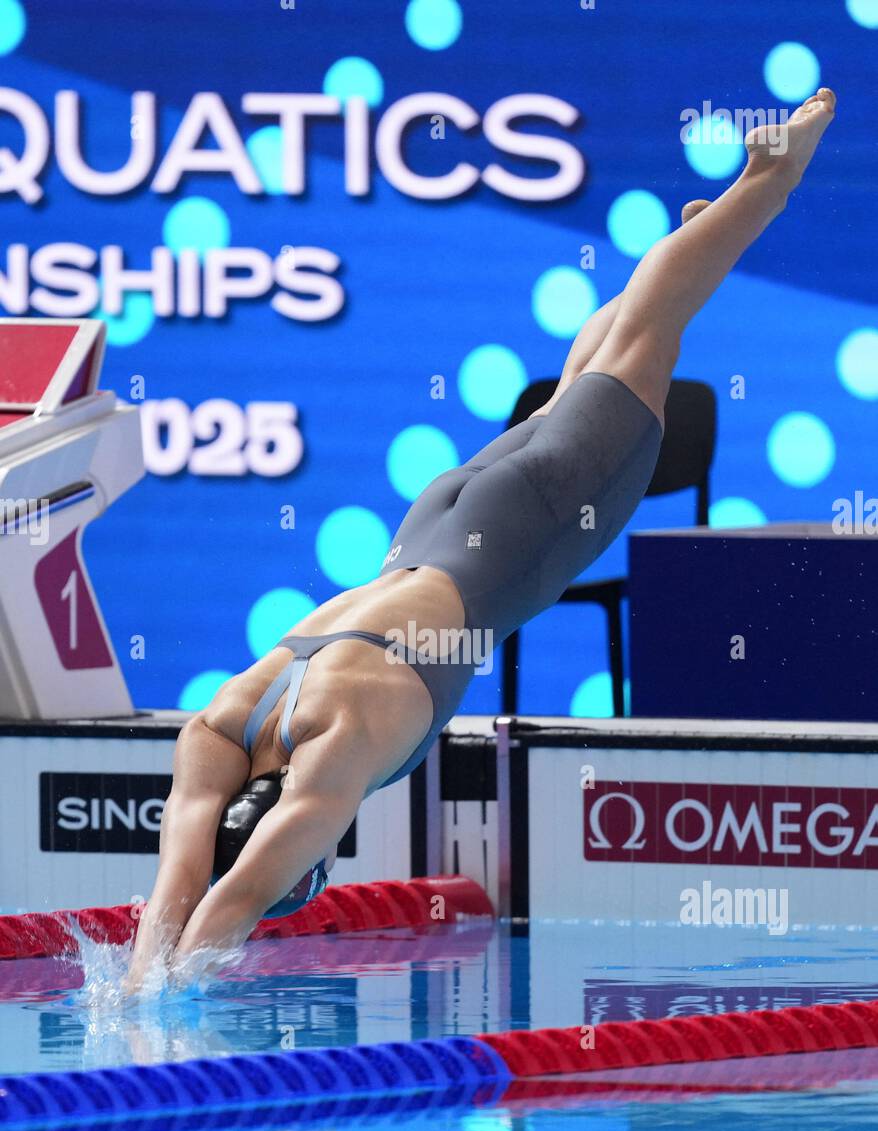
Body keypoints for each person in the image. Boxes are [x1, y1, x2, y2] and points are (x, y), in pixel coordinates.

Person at [126, 90, 836, 991]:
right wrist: (140, 984)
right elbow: (174, 898)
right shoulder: (221, 727)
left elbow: (223, 912)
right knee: (593, 375)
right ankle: (684, 242)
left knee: (647, 340)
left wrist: (156, 1036)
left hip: (506, 548)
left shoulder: (332, 758)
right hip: (436, 525)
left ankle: (770, 179)